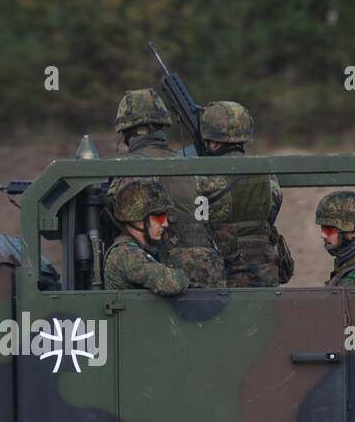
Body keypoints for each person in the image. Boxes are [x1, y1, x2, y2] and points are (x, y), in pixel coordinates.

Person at [114, 89, 226, 288]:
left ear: (126, 133)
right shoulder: (193, 166)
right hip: (212, 270)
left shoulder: (127, 168)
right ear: (162, 127)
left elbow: (114, 214)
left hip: (166, 275)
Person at [198, 101, 293, 287]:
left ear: (215, 142)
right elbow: (272, 211)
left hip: (222, 278)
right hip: (265, 274)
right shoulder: (267, 175)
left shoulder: (206, 179)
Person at [103, 177, 188, 295]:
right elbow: (172, 283)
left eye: (166, 216)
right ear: (138, 219)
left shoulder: (145, 247)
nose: (165, 224)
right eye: (160, 217)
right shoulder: (125, 253)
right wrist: (185, 278)